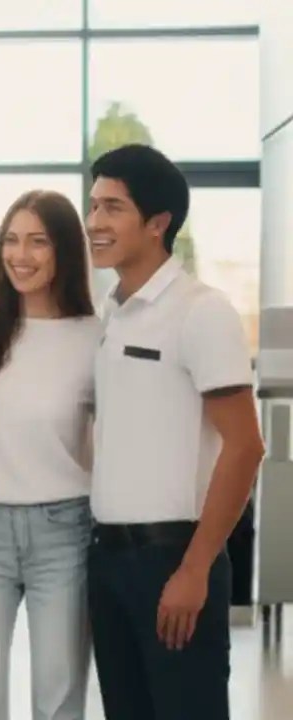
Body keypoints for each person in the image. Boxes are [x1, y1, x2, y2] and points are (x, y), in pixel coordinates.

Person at [85, 143, 266, 719]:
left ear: (157, 223)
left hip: (173, 557)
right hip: (108, 559)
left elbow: (245, 446)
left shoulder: (200, 311)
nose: (94, 223)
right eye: (93, 206)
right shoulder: (114, 313)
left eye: (113, 208)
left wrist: (195, 569)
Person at [0, 189, 101, 720]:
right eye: (11, 241)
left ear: (64, 252)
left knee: (59, 700)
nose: (21, 255)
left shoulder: (95, 337)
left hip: (65, 531)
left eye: (38, 241)